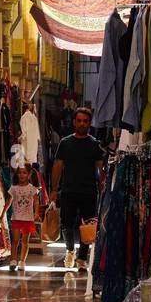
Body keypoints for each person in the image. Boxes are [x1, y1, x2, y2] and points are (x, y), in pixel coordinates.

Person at [50, 106, 105, 271]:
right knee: (66, 224)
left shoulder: (95, 145)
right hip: (68, 190)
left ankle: (82, 258)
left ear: (89, 123)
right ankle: (69, 250)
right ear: (74, 122)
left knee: (87, 226)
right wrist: (53, 189)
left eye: (85, 121)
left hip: (89, 191)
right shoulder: (65, 143)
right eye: (79, 121)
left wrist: (103, 185)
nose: (82, 124)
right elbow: (58, 166)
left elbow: (100, 168)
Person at [2, 164, 40, 272]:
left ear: (29, 174)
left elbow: (36, 201)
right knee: (15, 240)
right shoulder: (14, 188)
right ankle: (13, 260)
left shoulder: (32, 189)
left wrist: (36, 213)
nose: (22, 175)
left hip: (28, 219)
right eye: (19, 173)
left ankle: (22, 261)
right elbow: (9, 201)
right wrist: (3, 214)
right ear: (17, 174)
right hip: (16, 218)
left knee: (25, 241)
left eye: (24, 172)